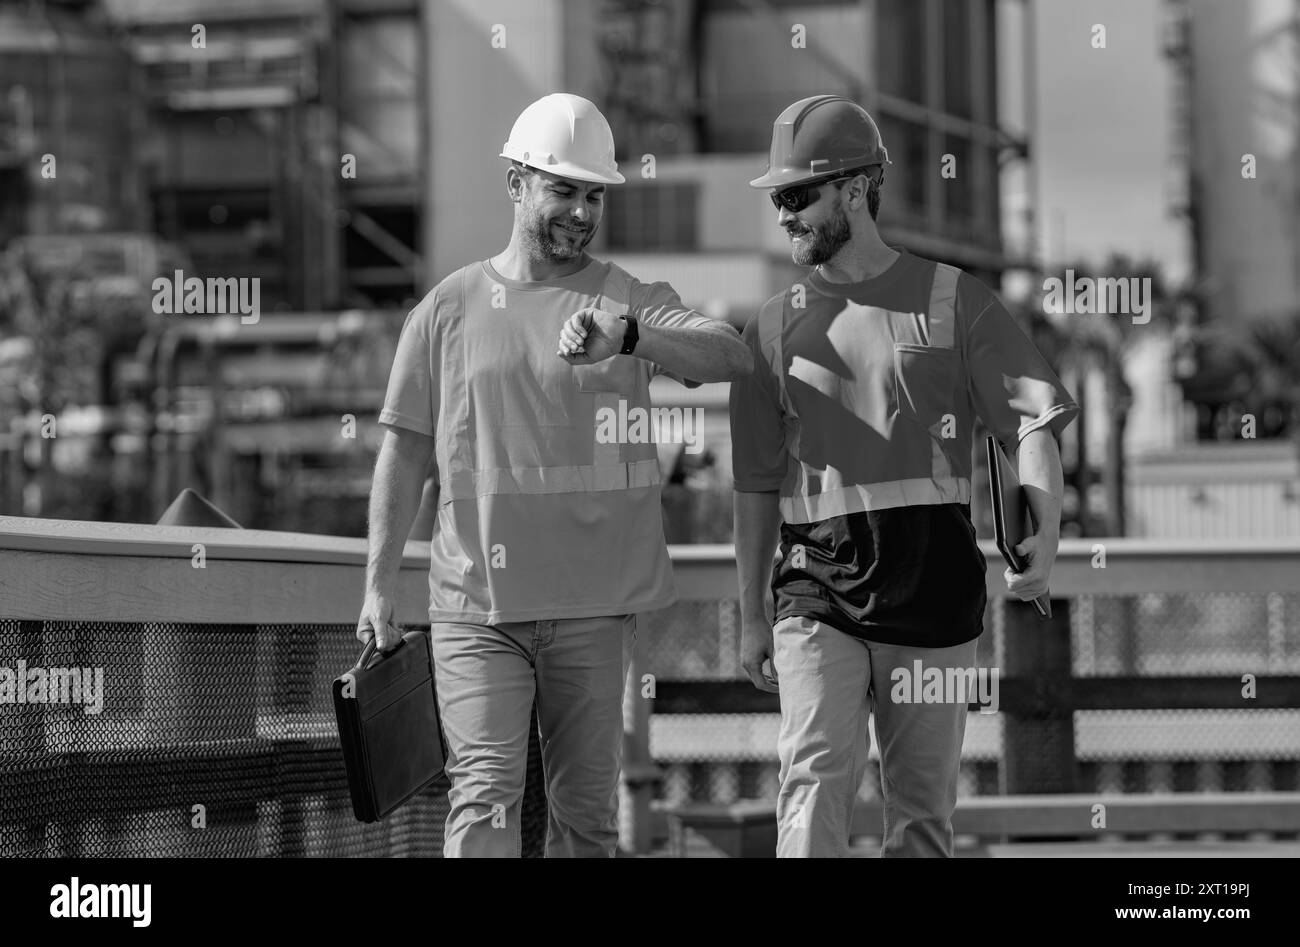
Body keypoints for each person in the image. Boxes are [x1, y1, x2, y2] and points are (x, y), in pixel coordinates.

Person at [358, 92, 752, 858]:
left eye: (593, 194)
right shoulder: (444, 312)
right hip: (478, 607)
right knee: (484, 802)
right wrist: (377, 584)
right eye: (563, 189)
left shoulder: (624, 299)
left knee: (586, 820)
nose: (581, 210)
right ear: (516, 184)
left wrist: (631, 337)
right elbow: (403, 453)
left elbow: (729, 353)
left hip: (593, 609)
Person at [729, 95, 1080, 857]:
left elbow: (1033, 422)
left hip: (936, 597)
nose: (784, 215)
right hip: (814, 590)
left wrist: (1042, 533)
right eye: (779, 199)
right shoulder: (769, 325)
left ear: (855, 190)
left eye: (797, 195)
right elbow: (755, 485)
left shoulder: (956, 301)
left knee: (922, 813)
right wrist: (751, 614)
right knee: (812, 779)